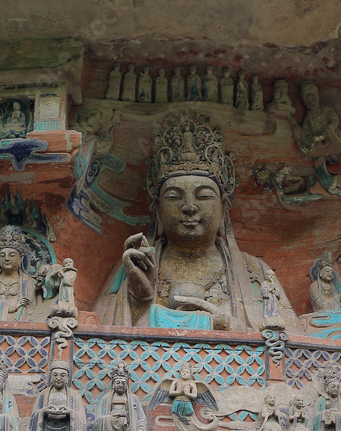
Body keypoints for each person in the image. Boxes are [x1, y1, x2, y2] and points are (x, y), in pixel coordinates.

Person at [96, 113, 301, 333]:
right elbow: (99, 336)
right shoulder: (133, 267)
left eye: (203, 196)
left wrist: (226, 323)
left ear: (223, 207)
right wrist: (139, 298)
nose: (189, 206)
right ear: (157, 208)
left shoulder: (255, 271)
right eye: (174, 196)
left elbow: (288, 341)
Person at [0, 226, 40, 321]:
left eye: (11, 255)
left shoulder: (29, 283)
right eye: (3, 255)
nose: (6, 258)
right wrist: (10, 307)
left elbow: (33, 310)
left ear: (20, 259)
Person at [28, 361, 88, 431]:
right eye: (55, 375)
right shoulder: (43, 394)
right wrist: (43, 411)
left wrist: (70, 413)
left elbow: (82, 421)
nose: (58, 378)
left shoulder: (75, 395)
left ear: (67, 377)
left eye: (62, 375)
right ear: (51, 376)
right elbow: (33, 417)